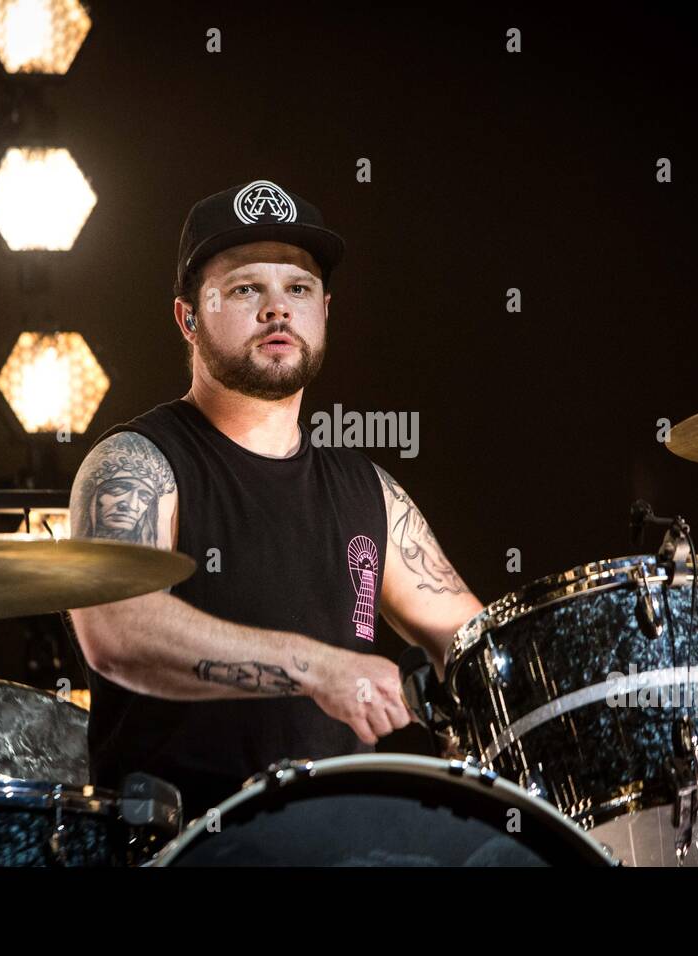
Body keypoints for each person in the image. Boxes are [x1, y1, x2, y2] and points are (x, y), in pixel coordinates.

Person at [68, 179, 482, 818]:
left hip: (346, 849)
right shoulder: (137, 463)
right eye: (244, 289)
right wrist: (317, 668)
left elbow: (476, 647)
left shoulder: (371, 492)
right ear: (188, 319)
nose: (277, 309)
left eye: (298, 288)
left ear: (324, 311)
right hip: (184, 849)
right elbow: (118, 630)